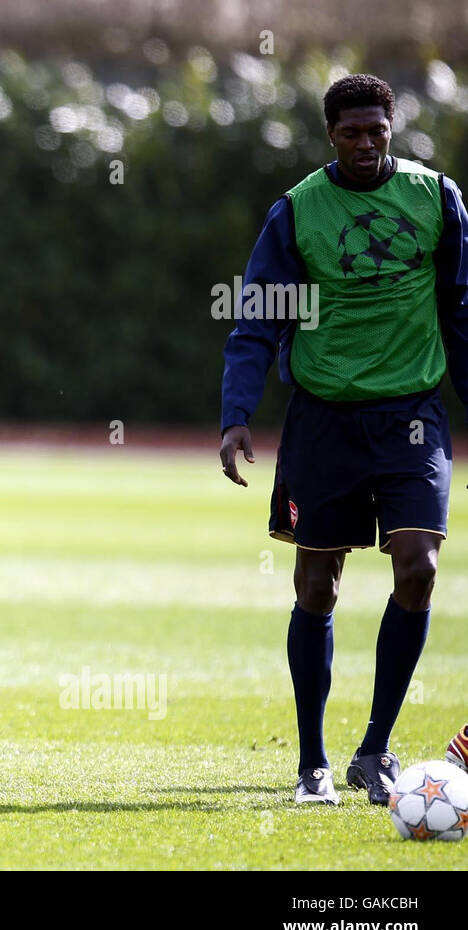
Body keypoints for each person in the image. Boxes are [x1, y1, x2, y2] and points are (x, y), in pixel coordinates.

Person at [221, 74, 468, 805]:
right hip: (324, 418)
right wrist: (237, 410)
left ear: (393, 128)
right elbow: (258, 317)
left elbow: (461, 308)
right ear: (331, 134)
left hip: (411, 417)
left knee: (419, 566)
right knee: (317, 585)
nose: (365, 144)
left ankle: (375, 749)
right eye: (350, 133)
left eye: (377, 132)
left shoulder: (436, 199)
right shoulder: (298, 212)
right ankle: (312, 763)